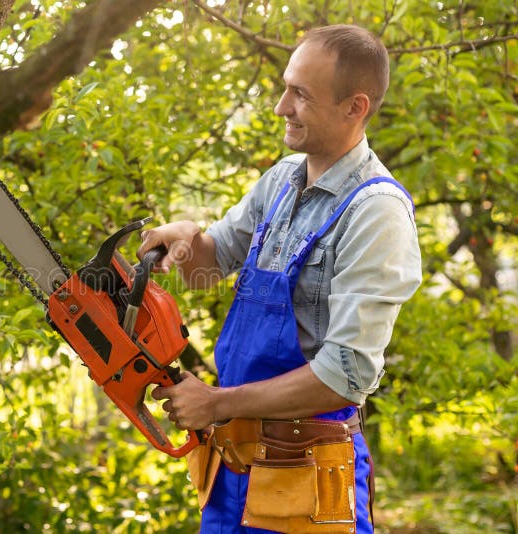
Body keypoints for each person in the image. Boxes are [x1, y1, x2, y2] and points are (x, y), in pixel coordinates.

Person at [137, 25, 422, 533]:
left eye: (301, 95)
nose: (280, 107)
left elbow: (345, 375)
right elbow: (208, 267)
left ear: (355, 107)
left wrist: (217, 403)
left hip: (309, 477)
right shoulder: (282, 180)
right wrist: (186, 239)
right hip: (235, 464)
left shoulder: (376, 213)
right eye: (286, 86)